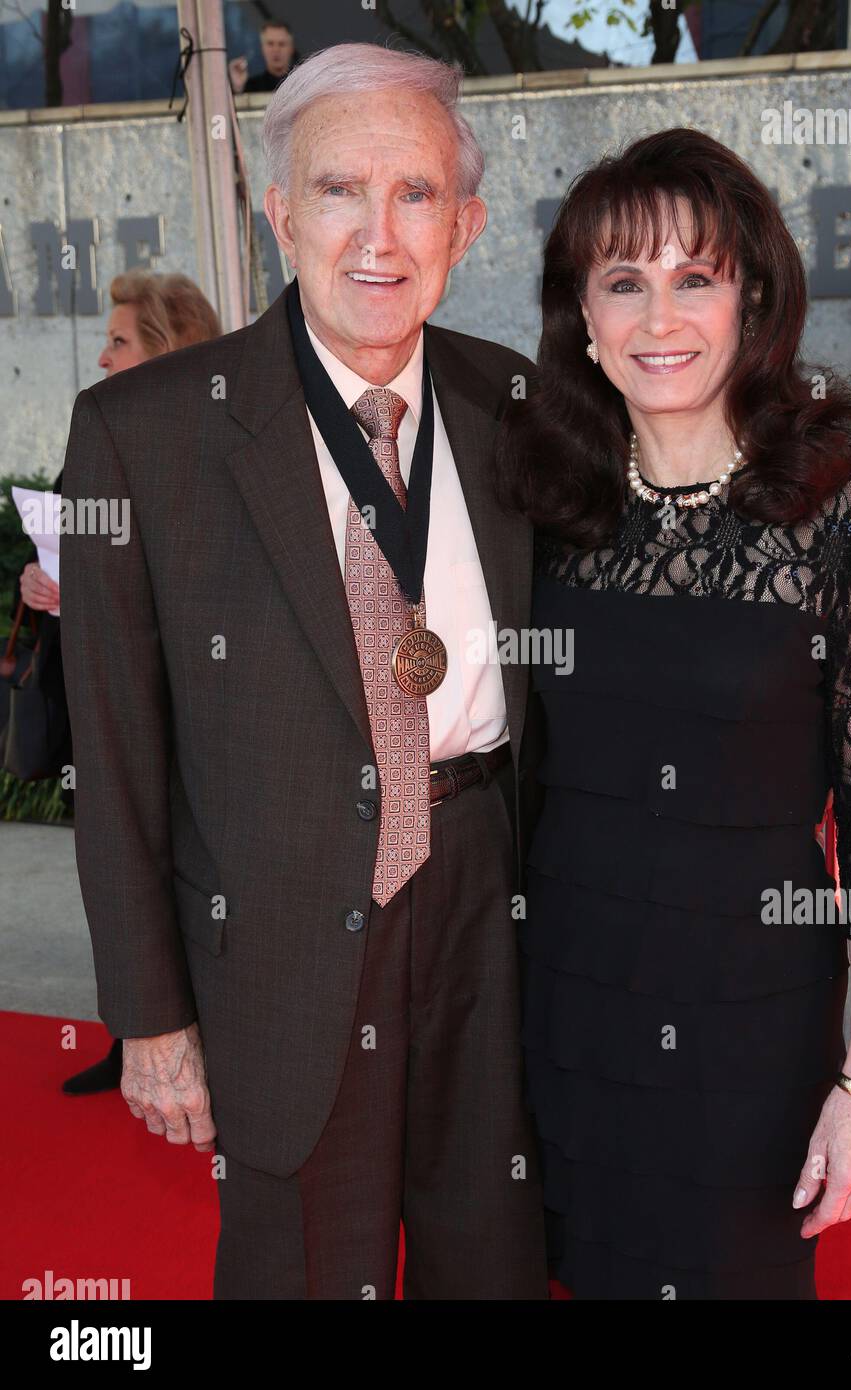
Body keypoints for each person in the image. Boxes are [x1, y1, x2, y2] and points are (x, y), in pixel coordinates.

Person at [60, 44, 547, 1299]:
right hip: (273, 944)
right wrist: (150, 1019)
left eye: (417, 194)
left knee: (489, 1264)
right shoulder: (143, 432)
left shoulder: (524, 409)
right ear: (280, 215)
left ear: (467, 222)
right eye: (339, 190)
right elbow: (112, 760)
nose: (377, 235)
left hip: (489, 910)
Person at [495, 127, 851, 1299]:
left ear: (751, 299)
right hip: (569, 1002)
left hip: (750, 1022)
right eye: (623, 282)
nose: (658, 318)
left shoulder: (834, 512)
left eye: (694, 278)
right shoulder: (544, 504)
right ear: (581, 315)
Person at [11, 271, 220, 1095]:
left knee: (192, 885)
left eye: (120, 340)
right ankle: (134, 1027)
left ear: (167, 349)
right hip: (102, 710)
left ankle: (205, 1037)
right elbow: (72, 548)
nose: (101, 355)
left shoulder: (219, 451)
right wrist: (42, 583)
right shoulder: (102, 434)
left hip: (191, 721)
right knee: (118, 871)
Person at [229, 19, 300, 95]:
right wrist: (238, 88)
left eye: (281, 44)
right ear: (262, 48)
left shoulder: (301, 84)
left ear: (291, 48)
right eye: (270, 44)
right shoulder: (251, 87)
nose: (276, 50)